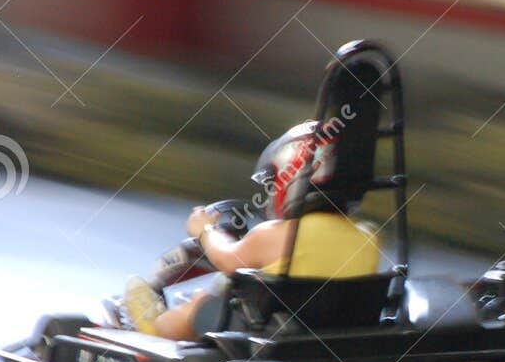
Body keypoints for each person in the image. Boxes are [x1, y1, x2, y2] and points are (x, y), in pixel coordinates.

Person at [122, 121, 385, 341]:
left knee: (215, 293)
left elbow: (226, 258)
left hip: (269, 335)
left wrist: (205, 229)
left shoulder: (276, 234)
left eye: (273, 183)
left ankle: (156, 328)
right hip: (337, 336)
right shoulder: (369, 236)